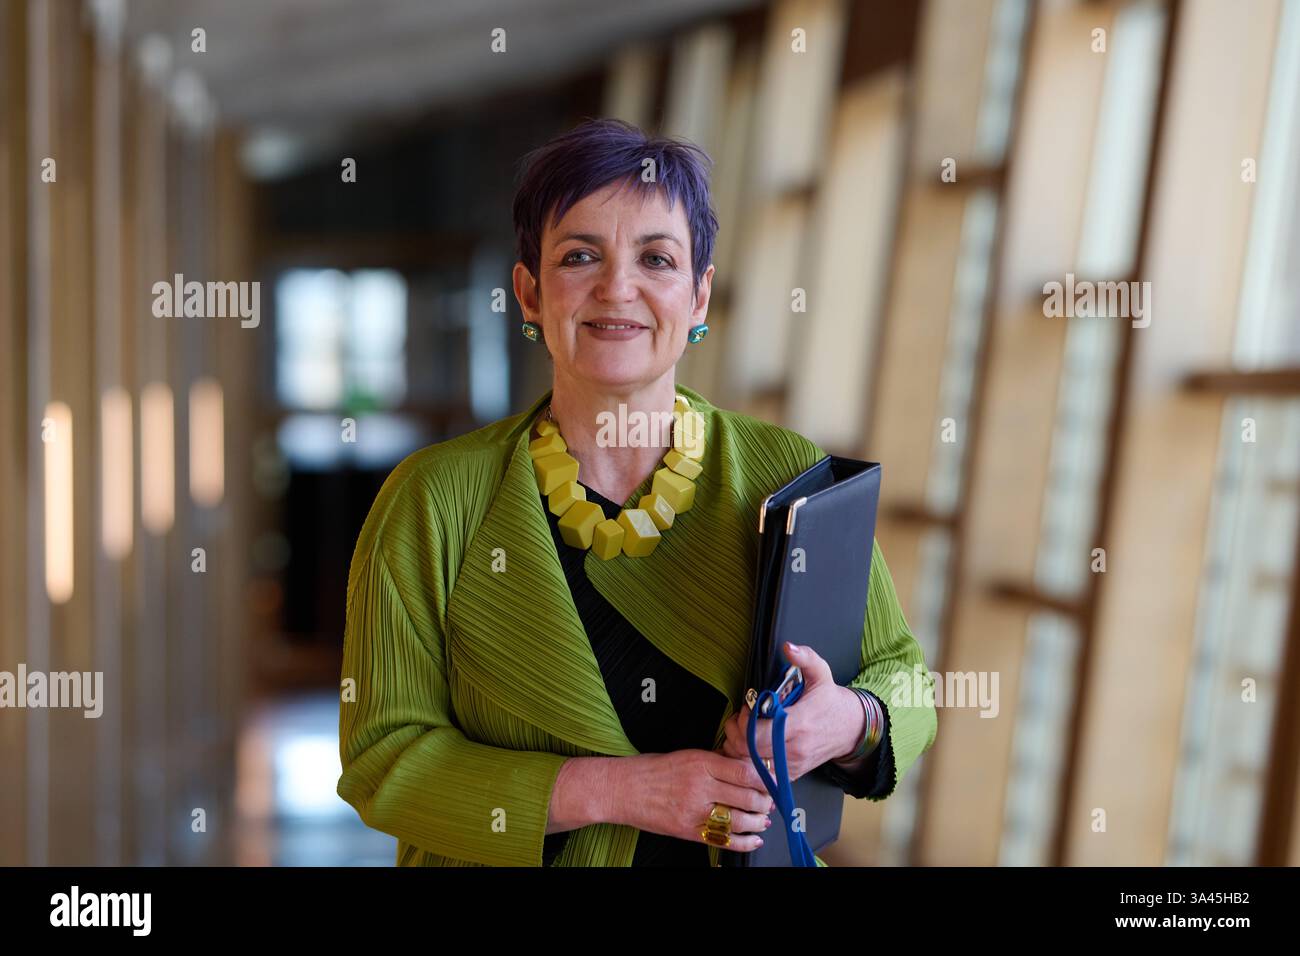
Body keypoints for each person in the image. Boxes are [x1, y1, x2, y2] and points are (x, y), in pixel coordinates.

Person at [336, 117, 938, 866]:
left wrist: (844, 720)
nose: (617, 287)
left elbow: (908, 685)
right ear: (529, 293)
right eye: (580, 256)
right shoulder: (432, 500)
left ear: (699, 298)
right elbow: (381, 758)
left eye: (656, 258)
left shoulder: (783, 474)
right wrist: (621, 791)